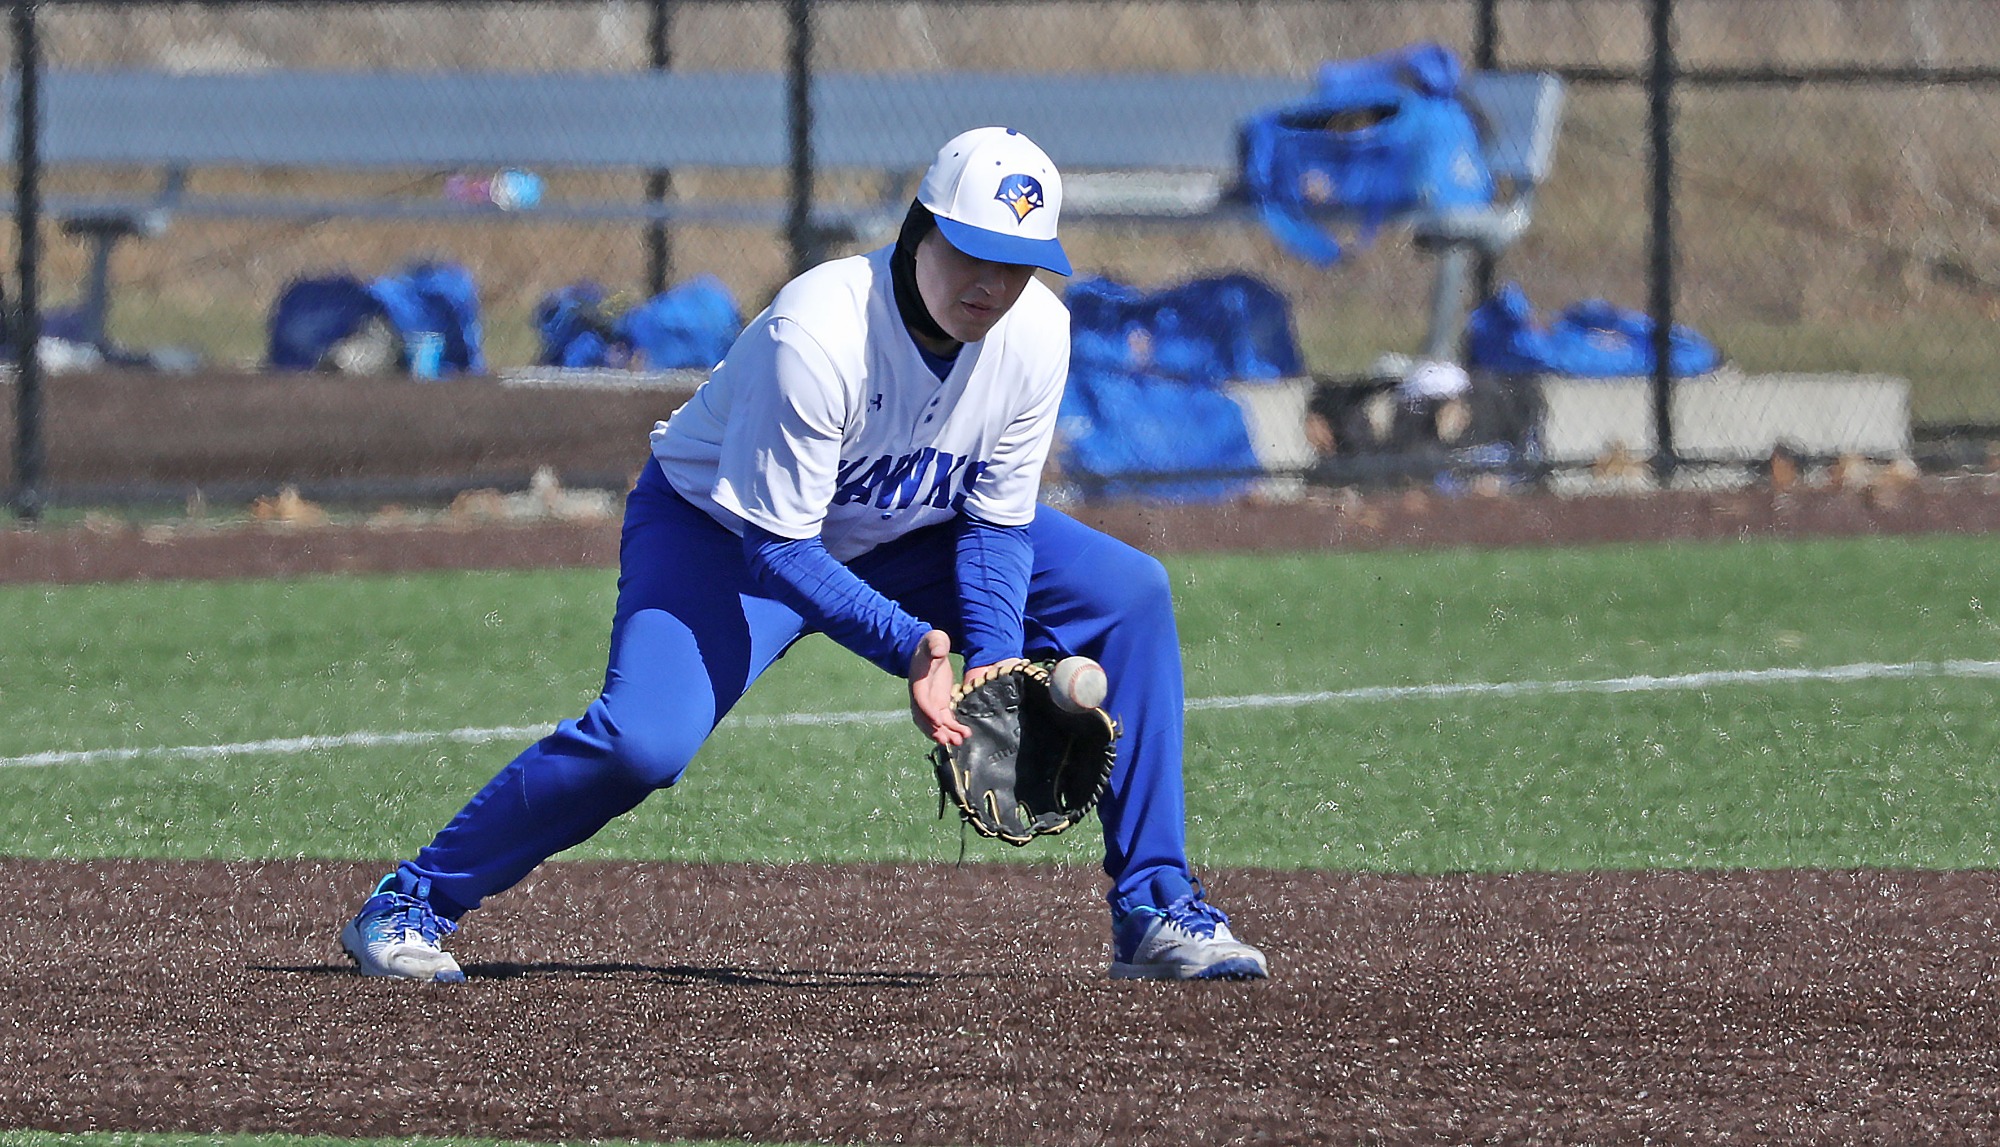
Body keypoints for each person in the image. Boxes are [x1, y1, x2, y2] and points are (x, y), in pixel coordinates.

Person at [340, 127, 1270, 984]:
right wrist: (916, 648)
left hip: (912, 532)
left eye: (1022, 263)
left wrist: (991, 664)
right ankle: (411, 900)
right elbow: (782, 549)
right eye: (976, 252)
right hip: (728, 536)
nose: (995, 283)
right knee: (642, 743)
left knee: (1130, 594)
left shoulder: (1036, 336)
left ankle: (1155, 906)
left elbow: (994, 524)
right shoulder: (818, 331)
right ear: (920, 230)